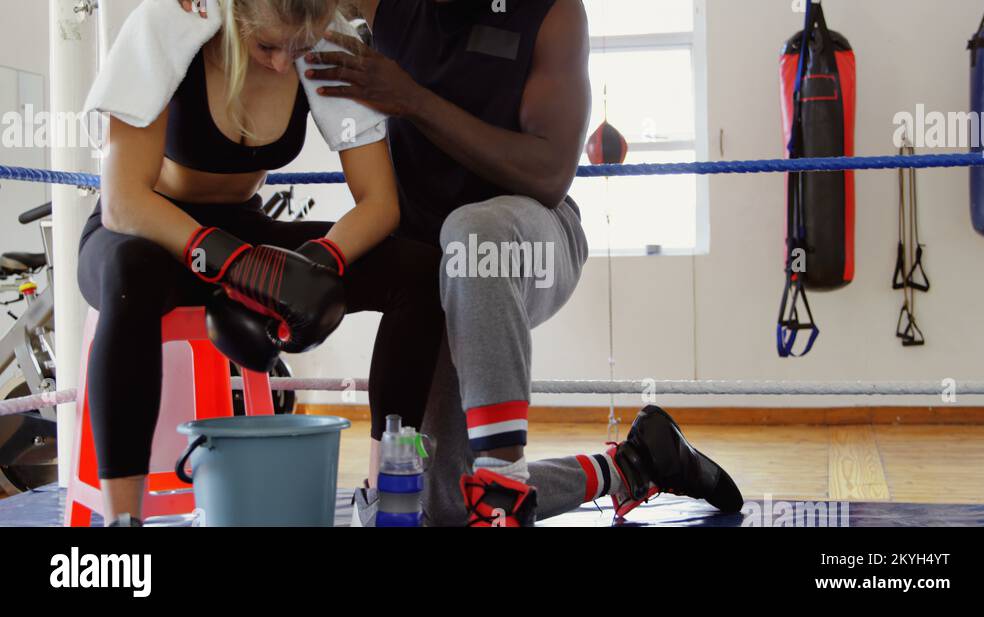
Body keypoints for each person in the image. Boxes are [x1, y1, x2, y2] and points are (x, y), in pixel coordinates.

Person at [304, 0, 745, 525]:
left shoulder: (552, 13)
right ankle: (632, 466)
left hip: (533, 239)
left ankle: (503, 483)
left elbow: (550, 175)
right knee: (440, 502)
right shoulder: (385, 7)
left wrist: (413, 100)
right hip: (437, 274)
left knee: (472, 233)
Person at [81, 0, 443, 526]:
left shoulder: (330, 41)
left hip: (243, 230)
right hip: (149, 231)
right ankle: (122, 522)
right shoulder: (170, 25)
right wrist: (235, 264)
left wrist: (318, 262)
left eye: (296, 47)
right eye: (267, 45)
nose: (282, 63)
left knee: (416, 269)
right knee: (129, 274)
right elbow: (124, 203)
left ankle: (389, 496)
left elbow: (379, 204)